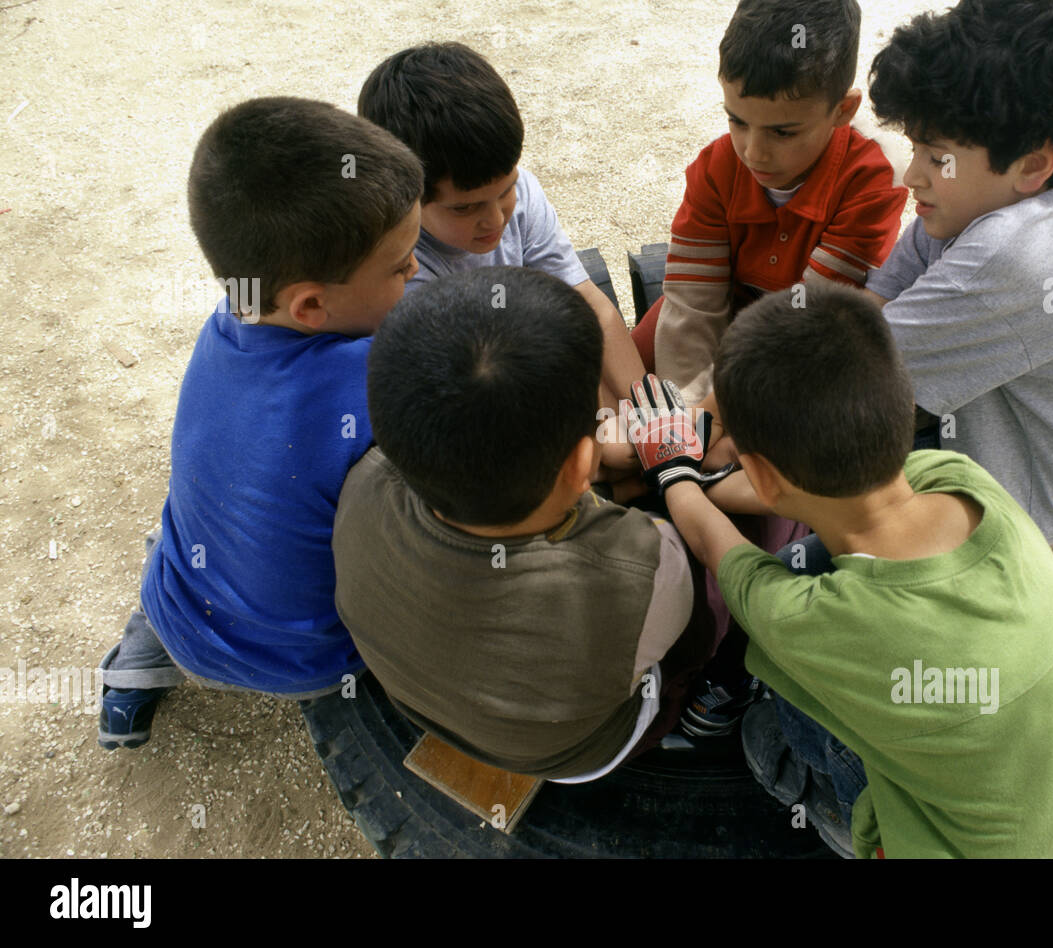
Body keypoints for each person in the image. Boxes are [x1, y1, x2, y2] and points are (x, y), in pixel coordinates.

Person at [622, 283, 1053, 857]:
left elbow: (719, 552)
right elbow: (775, 495)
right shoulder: (953, 475)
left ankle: (839, 822)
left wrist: (669, 467)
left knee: (766, 732)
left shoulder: (816, 621)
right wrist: (700, 474)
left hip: (957, 848)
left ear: (760, 472)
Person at [97, 97, 424, 749]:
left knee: (185, 532)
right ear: (309, 304)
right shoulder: (369, 377)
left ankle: (132, 673)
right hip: (306, 666)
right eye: (401, 265)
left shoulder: (227, 324)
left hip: (178, 609)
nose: (416, 272)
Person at [331, 266, 734, 780]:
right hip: (576, 752)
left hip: (421, 699)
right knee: (708, 605)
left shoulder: (364, 483)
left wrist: (601, 470)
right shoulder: (644, 566)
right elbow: (683, 572)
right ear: (582, 465)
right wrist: (671, 470)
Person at [863, 0, 1053, 686]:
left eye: (937, 156)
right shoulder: (968, 207)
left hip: (1037, 513)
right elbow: (869, 314)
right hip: (1016, 445)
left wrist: (698, 441)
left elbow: (843, 372)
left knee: (850, 644)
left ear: (1032, 165)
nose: (911, 176)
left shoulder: (1014, 258)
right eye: (915, 147)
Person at [632, 0, 907, 428]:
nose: (753, 152)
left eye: (783, 132)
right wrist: (685, 411)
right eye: (737, 121)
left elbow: (807, 324)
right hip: (724, 316)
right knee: (630, 376)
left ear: (843, 111)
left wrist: (711, 418)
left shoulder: (871, 179)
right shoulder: (716, 167)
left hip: (811, 339)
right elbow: (694, 303)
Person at [358, 42, 646, 419]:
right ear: (405, 199)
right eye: (465, 207)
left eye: (506, 189)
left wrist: (653, 412)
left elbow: (585, 302)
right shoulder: (401, 268)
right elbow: (476, 386)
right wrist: (603, 434)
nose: (496, 219)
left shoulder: (522, 191)